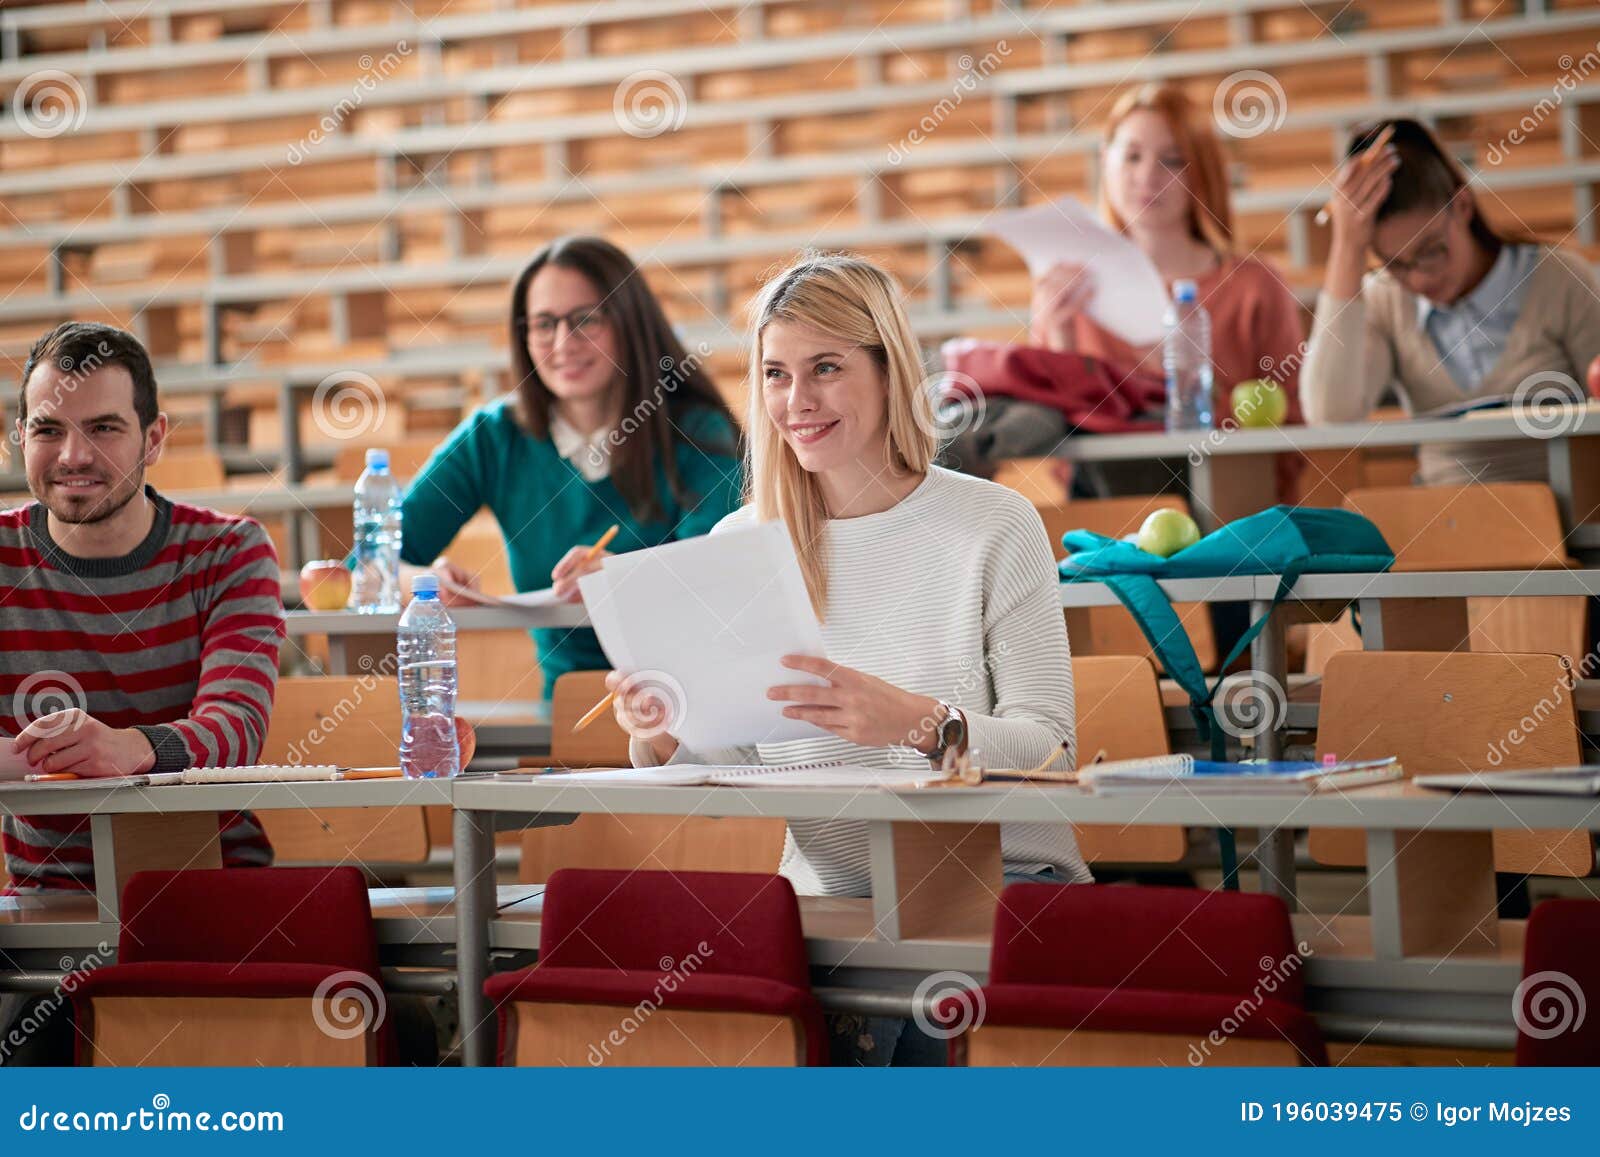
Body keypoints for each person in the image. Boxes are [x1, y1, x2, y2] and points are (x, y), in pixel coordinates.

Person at [607, 253, 1086, 1064]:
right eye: (776, 374)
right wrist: (661, 729)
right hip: (831, 900)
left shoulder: (994, 523)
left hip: (999, 888)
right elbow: (733, 754)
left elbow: (1051, 748)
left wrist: (919, 723)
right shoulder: (742, 544)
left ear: (889, 368)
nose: (798, 401)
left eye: (826, 368)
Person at [0, 322, 284, 1062]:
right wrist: (49, 756)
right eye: (48, 429)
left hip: (215, 899)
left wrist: (129, 747)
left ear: (154, 437)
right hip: (47, 918)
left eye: (103, 428)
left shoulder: (229, 550)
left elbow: (234, 727)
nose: (73, 456)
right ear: (16, 435)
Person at [398, 235, 742, 698]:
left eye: (585, 320)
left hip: (687, 705)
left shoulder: (699, 431)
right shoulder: (493, 437)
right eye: (544, 324)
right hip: (564, 716)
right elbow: (369, 562)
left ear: (629, 324)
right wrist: (421, 584)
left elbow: (722, 578)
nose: (563, 343)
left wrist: (620, 577)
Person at [948, 82, 1306, 497]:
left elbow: (1291, 436)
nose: (1147, 177)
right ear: (1106, 162)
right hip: (1110, 512)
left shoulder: (1255, 285)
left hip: (1232, 504)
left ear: (1202, 171)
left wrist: (1173, 394)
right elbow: (1062, 461)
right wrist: (1062, 347)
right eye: (1132, 156)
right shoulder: (1068, 287)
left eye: (1172, 161)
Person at [1301, 117, 1600, 484]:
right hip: (1445, 528)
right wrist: (1347, 245)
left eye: (1431, 251)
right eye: (1395, 265)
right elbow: (1331, 413)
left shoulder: (1560, 279)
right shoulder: (1386, 298)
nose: (1419, 279)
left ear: (1462, 206)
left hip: (1566, 528)